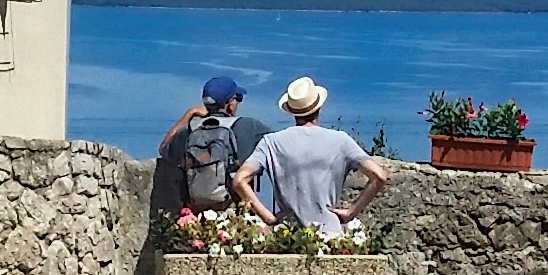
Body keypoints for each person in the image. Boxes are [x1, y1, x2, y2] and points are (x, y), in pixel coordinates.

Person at [236, 77, 389, 233]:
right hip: (329, 234)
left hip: (288, 234)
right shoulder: (341, 140)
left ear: (291, 112)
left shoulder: (271, 142)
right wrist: (351, 212)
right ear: (319, 107)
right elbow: (379, 176)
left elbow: (240, 180)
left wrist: (268, 217)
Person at [149, 73, 267, 222]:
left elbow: (163, 148)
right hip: (236, 212)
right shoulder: (248, 126)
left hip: (196, 215)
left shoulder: (189, 131)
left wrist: (189, 115)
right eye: (238, 99)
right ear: (230, 103)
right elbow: (280, 144)